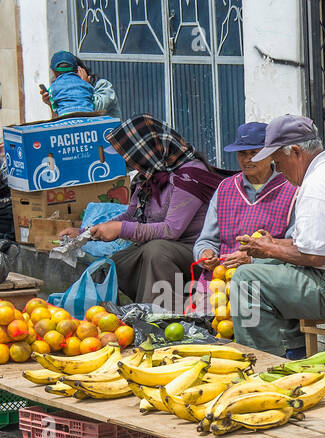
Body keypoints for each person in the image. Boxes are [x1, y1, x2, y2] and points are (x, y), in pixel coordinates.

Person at [228, 115, 325, 357]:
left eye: (278, 162)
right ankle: (295, 351)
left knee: (247, 280)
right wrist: (274, 245)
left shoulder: (317, 185)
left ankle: (260, 362)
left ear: (296, 152)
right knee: (265, 264)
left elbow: (313, 256)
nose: (278, 170)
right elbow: (319, 242)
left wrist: (269, 249)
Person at [59, 115, 226, 306]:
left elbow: (171, 230)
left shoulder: (190, 176)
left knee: (156, 250)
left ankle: (164, 313)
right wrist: (85, 234)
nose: (129, 163)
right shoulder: (150, 175)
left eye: (131, 157)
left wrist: (120, 229)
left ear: (146, 151)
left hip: (198, 254)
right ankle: (141, 306)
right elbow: (131, 216)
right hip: (168, 247)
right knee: (118, 262)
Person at [193, 122, 297, 273]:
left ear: (270, 155)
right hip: (221, 277)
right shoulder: (224, 189)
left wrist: (252, 260)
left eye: (254, 153)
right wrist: (205, 254)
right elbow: (207, 240)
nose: (247, 159)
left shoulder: (291, 190)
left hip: (268, 278)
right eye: (242, 153)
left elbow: (294, 246)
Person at [40, 52, 118, 117]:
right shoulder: (61, 91)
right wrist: (52, 103)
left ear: (81, 70)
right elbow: (60, 120)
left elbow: (93, 109)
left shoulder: (103, 85)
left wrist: (84, 85)